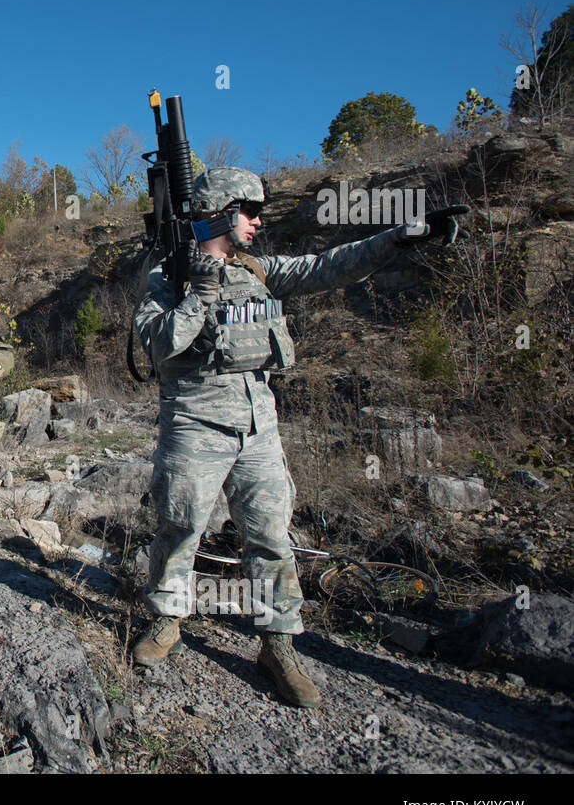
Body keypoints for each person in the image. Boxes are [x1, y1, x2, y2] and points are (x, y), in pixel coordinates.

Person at [130, 166, 456, 707]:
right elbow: (161, 345)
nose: (259, 221)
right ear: (218, 212)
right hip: (194, 424)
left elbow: (330, 266)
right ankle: (167, 619)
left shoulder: (259, 270)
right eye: (249, 211)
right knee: (180, 526)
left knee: (270, 537)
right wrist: (201, 290)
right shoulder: (168, 276)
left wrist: (400, 236)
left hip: (259, 427)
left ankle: (277, 642)